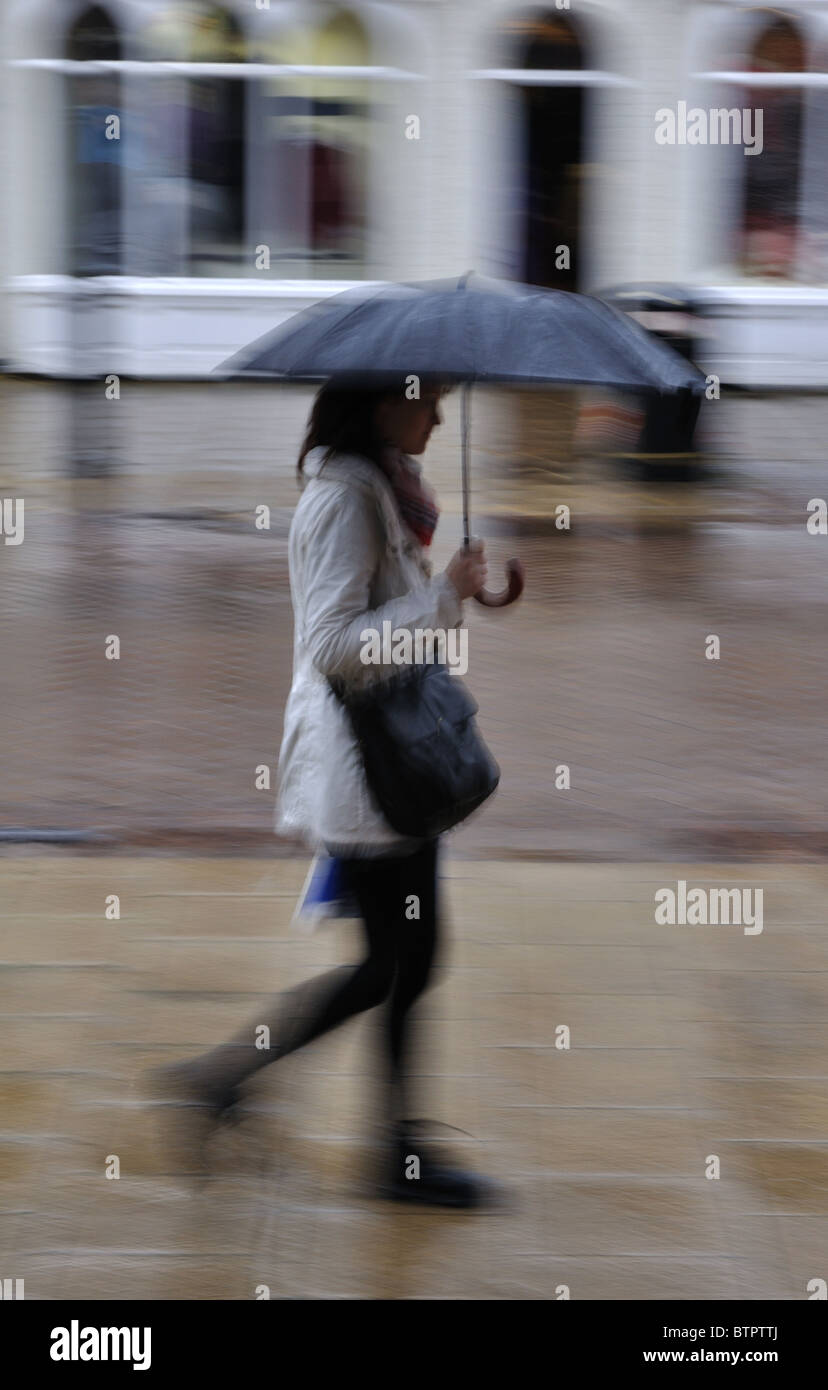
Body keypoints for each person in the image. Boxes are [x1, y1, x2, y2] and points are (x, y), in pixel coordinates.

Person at [150, 378, 495, 1207]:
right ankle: (242, 1092)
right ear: (383, 402)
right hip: (366, 768)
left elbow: (390, 614)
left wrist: (463, 593)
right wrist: (444, 595)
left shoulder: (380, 484)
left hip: (394, 760)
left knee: (403, 960)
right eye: (428, 400)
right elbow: (338, 646)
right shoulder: (345, 499)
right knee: (395, 962)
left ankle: (299, 1112)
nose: (440, 416)